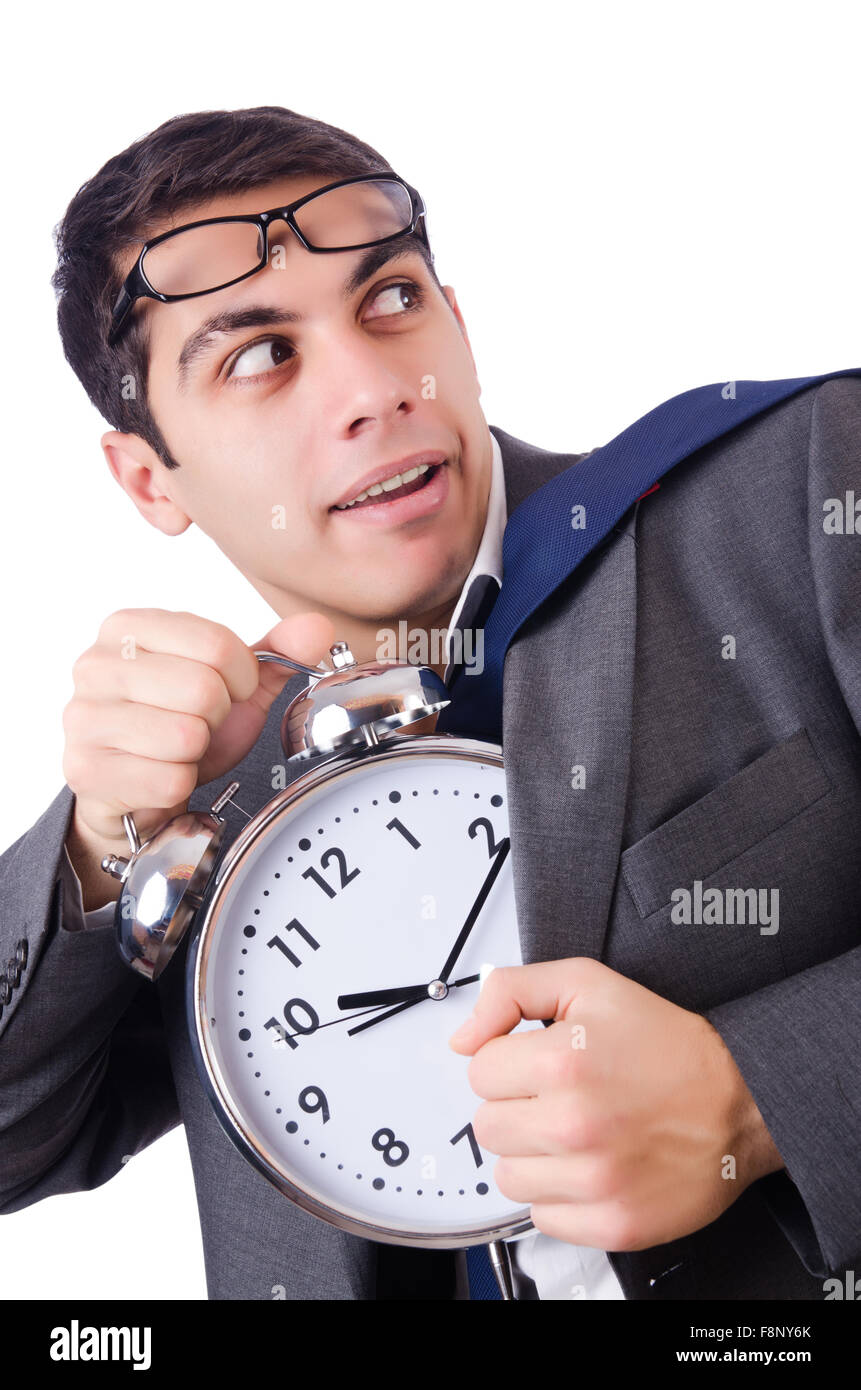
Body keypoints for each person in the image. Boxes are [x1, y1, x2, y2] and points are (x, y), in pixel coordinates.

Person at [0, 105, 858, 1301]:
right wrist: (98, 852)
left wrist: (758, 1096)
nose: (373, 388)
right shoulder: (193, 805)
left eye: (391, 301)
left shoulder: (798, 495)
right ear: (149, 479)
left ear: (456, 324)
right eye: (261, 355)